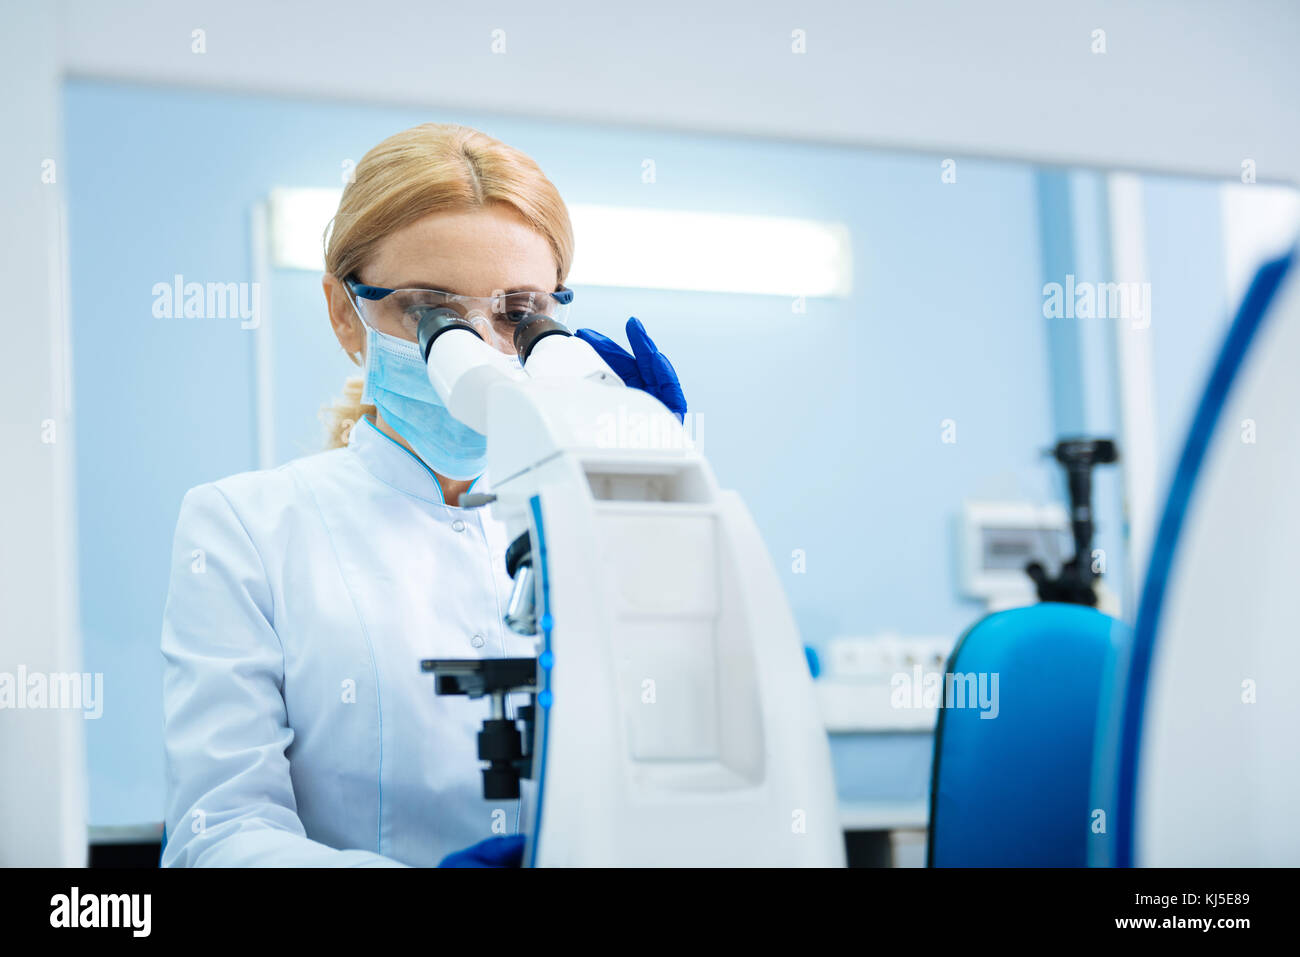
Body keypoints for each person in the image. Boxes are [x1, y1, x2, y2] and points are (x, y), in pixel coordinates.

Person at [160, 123, 685, 866]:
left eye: (518, 314)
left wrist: (659, 507)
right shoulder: (244, 528)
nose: (483, 349)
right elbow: (215, 840)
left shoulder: (590, 516)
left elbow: (686, 753)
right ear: (347, 313)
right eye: (431, 310)